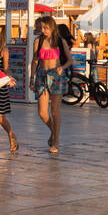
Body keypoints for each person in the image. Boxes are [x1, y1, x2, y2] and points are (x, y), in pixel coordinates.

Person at [30, 15, 73, 153]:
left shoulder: (60, 41)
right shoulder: (38, 41)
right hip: (42, 75)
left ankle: (56, 141)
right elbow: (35, 61)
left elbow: (70, 60)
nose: (43, 30)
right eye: (41, 27)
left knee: (55, 111)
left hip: (56, 75)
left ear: (52, 27)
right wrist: (32, 77)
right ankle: (53, 133)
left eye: (45, 28)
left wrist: (63, 67)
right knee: (42, 112)